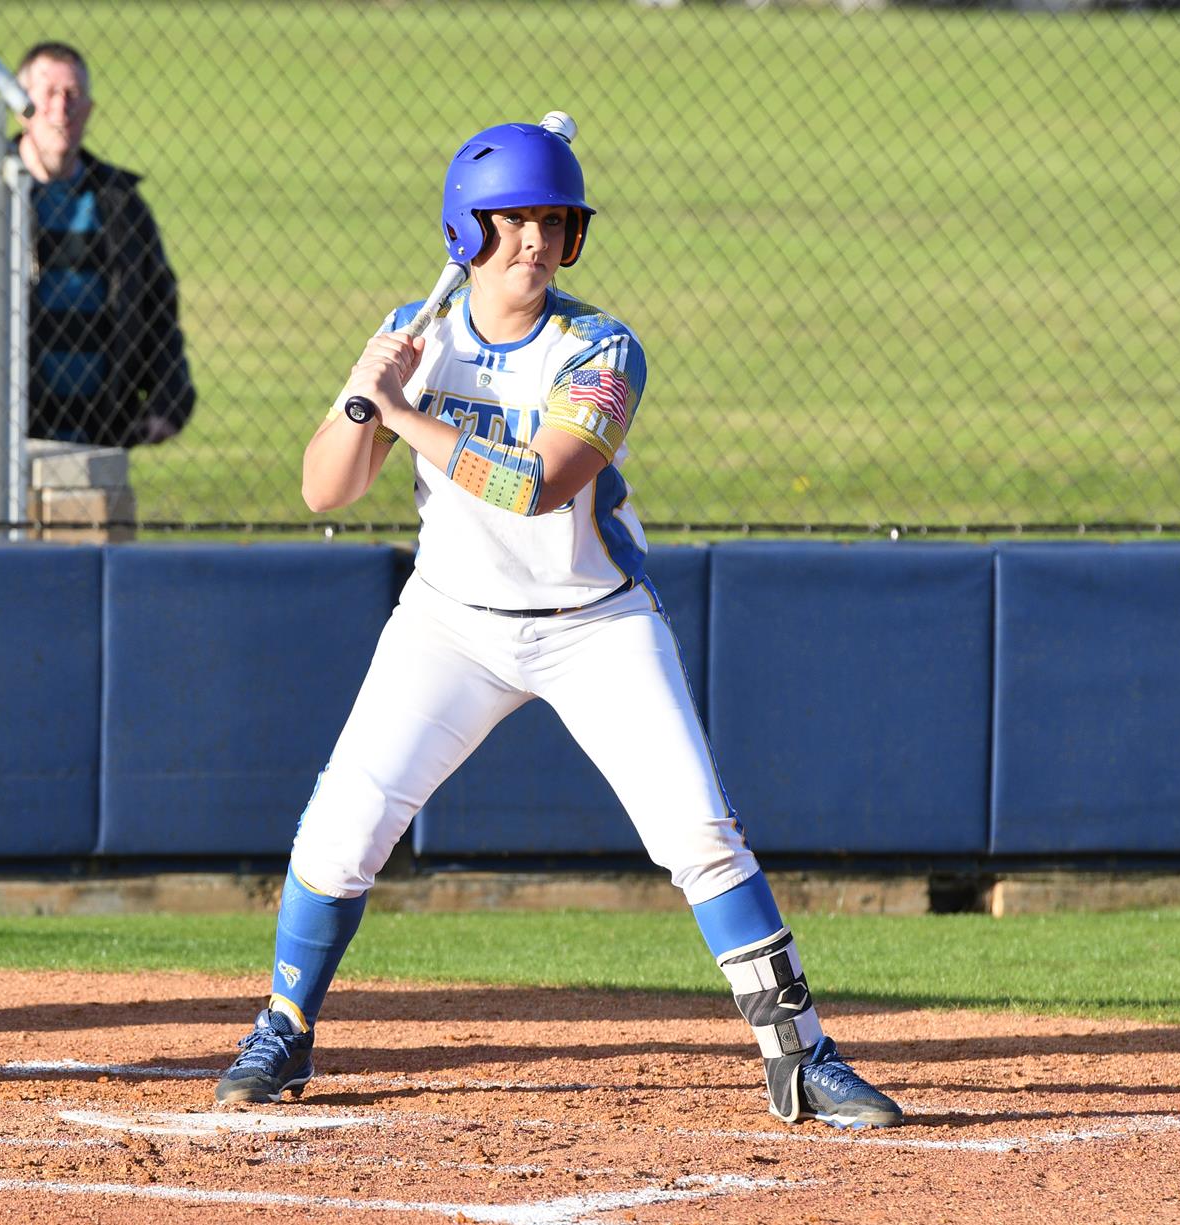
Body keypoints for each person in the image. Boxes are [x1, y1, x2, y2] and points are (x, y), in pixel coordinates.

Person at [212, 120, 902, 1130]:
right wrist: (366, 398)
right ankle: (282, 1026)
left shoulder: (600, 347)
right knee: (342, 828)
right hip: (448, 624)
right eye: (512, 219)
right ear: (466, 228)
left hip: (592, 623)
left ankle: (799, 1055)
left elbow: (537, 484)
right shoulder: (416, 332)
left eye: (551, 220)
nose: (533, 239)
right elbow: (324, 489)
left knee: (698, 835)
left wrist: (407, 416)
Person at [13, 41, 194, 449]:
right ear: (21, 107)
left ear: (89, 110)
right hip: (8, 437)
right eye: (48, 96)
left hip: (101, 434)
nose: (61, 110)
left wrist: (170, 399)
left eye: (72, 96)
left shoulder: (119, 204)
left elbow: (157, 309)